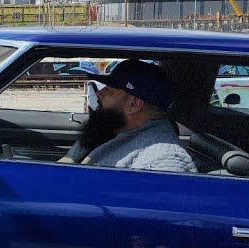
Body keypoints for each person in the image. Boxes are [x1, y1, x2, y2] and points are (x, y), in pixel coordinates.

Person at [62, 59, 196, 173]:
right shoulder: (108, 131)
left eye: (109, 90)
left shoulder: (164, 161)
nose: (99, 93)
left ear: (133, 104)